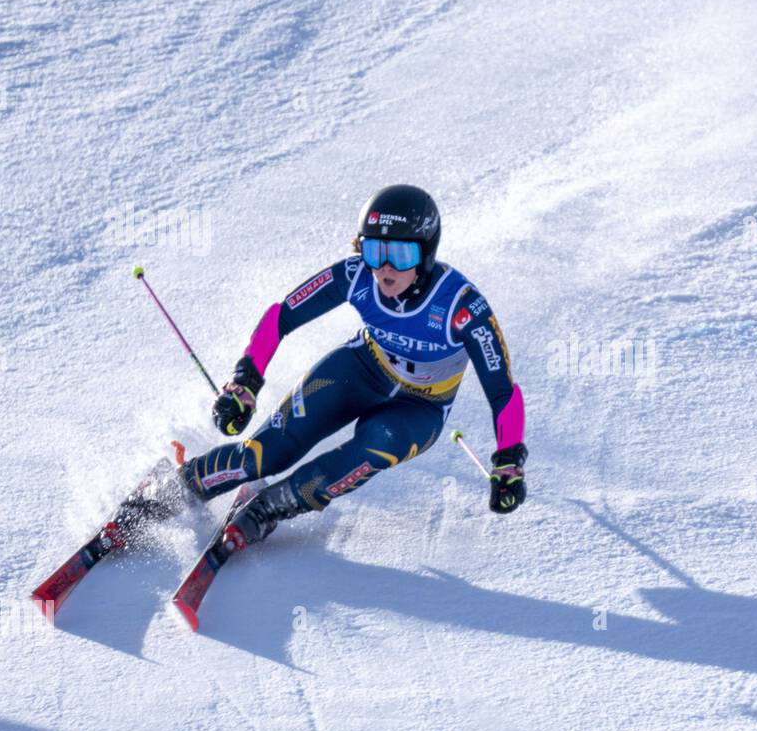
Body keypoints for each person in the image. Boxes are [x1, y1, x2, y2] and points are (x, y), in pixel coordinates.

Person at [158, 184, 527, 559]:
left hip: (421, 407)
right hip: (363, 369)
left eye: (399, 254)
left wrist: (509, 460)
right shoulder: (355, 275)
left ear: (426, 253)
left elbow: (503, 392)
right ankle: (182, 485)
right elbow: (280, 316)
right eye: (373, 251)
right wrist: (245, 381)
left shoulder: (462, 307)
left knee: (378, 443)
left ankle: (270, 508)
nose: (384, 268)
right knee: (266, 455)